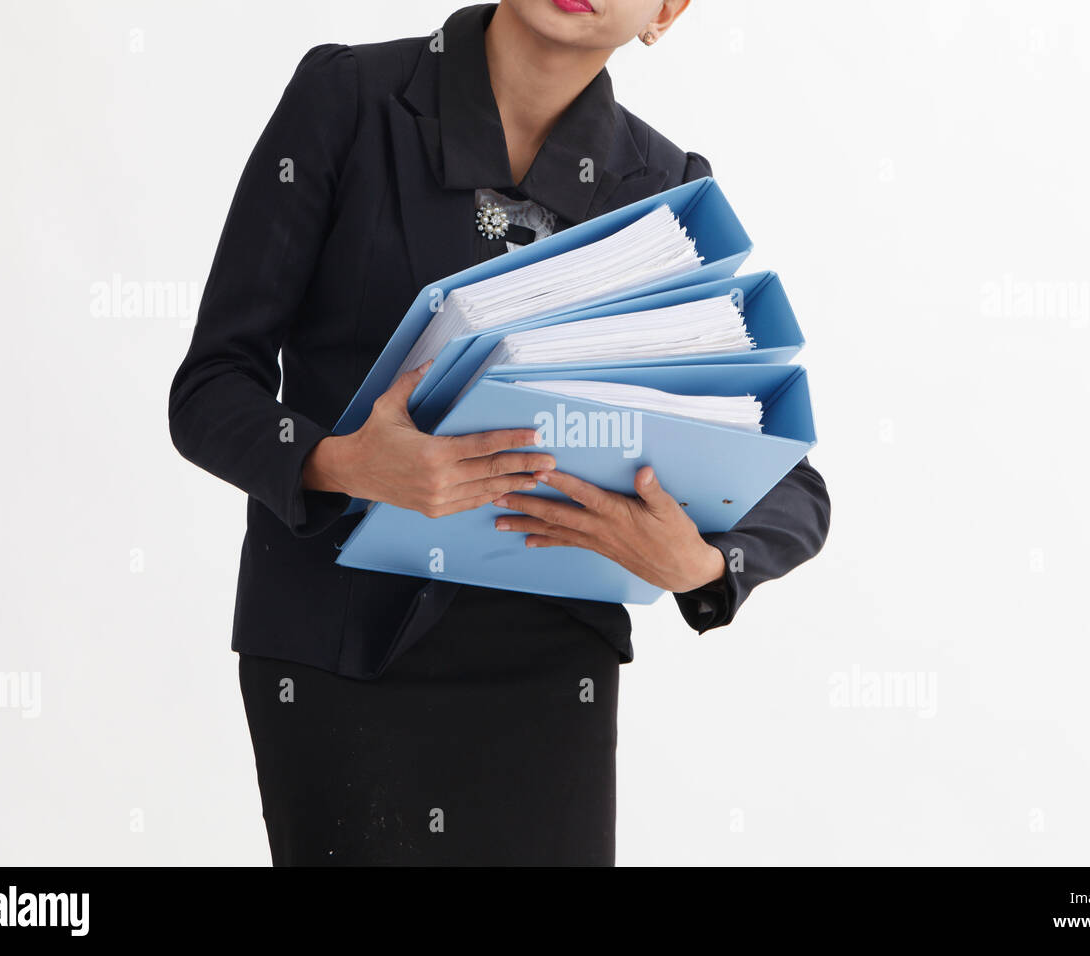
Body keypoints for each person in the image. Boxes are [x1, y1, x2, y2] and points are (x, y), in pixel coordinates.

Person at [168, 0, 830, 866]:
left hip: (548, 672)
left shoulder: (665, 192)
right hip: (335, 647)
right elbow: (211, 389)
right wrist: (345, 464)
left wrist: (704, 566)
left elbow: (793, 484)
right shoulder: (350, 98)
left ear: (666, 12)